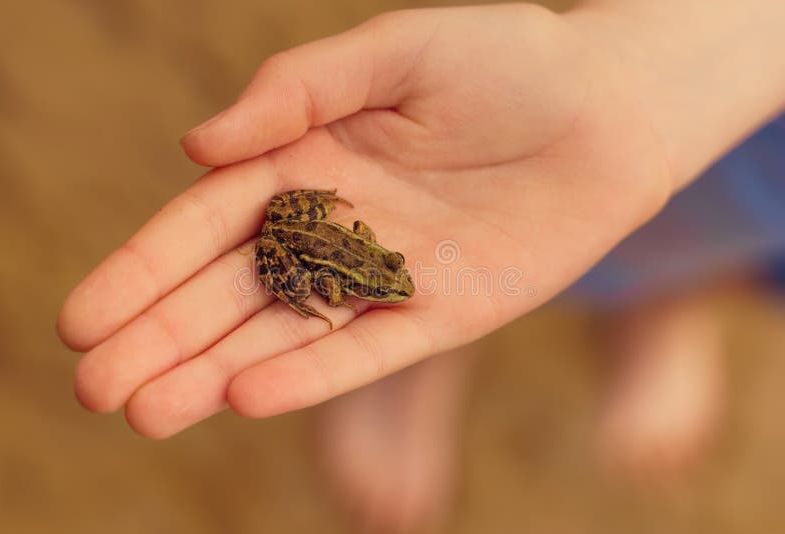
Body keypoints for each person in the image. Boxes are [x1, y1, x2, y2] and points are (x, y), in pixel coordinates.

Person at [57, 1, 785, 531]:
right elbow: (339, 258)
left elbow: (366, 252)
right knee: (706, 192)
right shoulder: (357, 276)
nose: (394, 286)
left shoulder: (370, 273)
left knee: (715, 221)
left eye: (388, 285)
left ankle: (662, 295)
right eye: (389, 284)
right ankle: (455, 348)